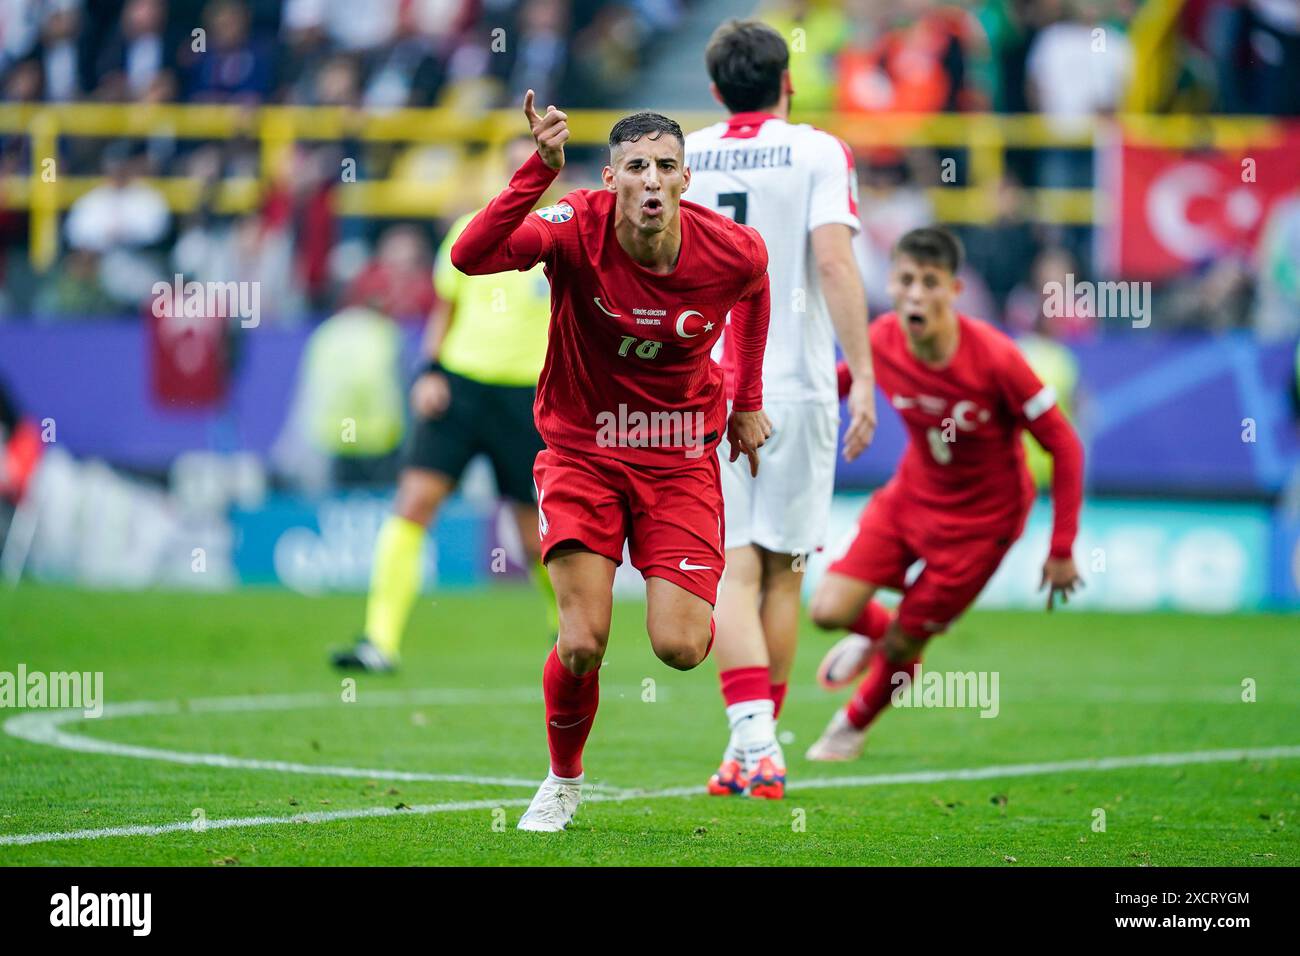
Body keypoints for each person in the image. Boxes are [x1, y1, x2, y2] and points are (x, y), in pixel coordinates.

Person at [451, 91, 773, 831]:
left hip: (680, 456)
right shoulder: (573, 228)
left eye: (666, 165)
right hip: (582, 451)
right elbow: (471, 256)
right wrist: (539, 171)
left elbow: (755, 294)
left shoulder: (732, 249)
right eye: (636, 167)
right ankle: (563, 780)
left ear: (687, 180)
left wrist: (748, 399)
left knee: (683, 646)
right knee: (581, 642)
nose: (652, 179)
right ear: (610, 178)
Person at [683, 19, 876, 800]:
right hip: (795, 381)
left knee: (729, 563)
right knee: (785, 572)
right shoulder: (819, 150)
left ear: (716, 89)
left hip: (707, 382)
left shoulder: (684, 151)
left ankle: (751, 745)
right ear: (786, 81)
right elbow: (833, 259)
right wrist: (861, 372)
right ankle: (763, 746)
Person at [806, 226, 1084, 760]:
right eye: (906, 280)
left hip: (982, 527)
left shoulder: (996, 359)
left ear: (953, 291)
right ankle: (875, 637)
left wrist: (1063, 548)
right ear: (891, 283)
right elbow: (835, 387)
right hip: (911, 497)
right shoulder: (883, 339)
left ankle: (851, 725)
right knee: (826, 609)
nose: (915, 293)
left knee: (907, 642)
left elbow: (1065, 446)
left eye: (929, 282)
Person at [332, 139, 558, 673]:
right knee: (413, 502)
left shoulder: (564, 237)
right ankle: (378, 641)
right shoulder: (468, 232)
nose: (521, 174)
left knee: (536, 535)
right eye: (513, 166)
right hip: (459, 388)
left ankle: (567, 633)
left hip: (528, 398)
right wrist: (429, 371)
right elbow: (445, 312)